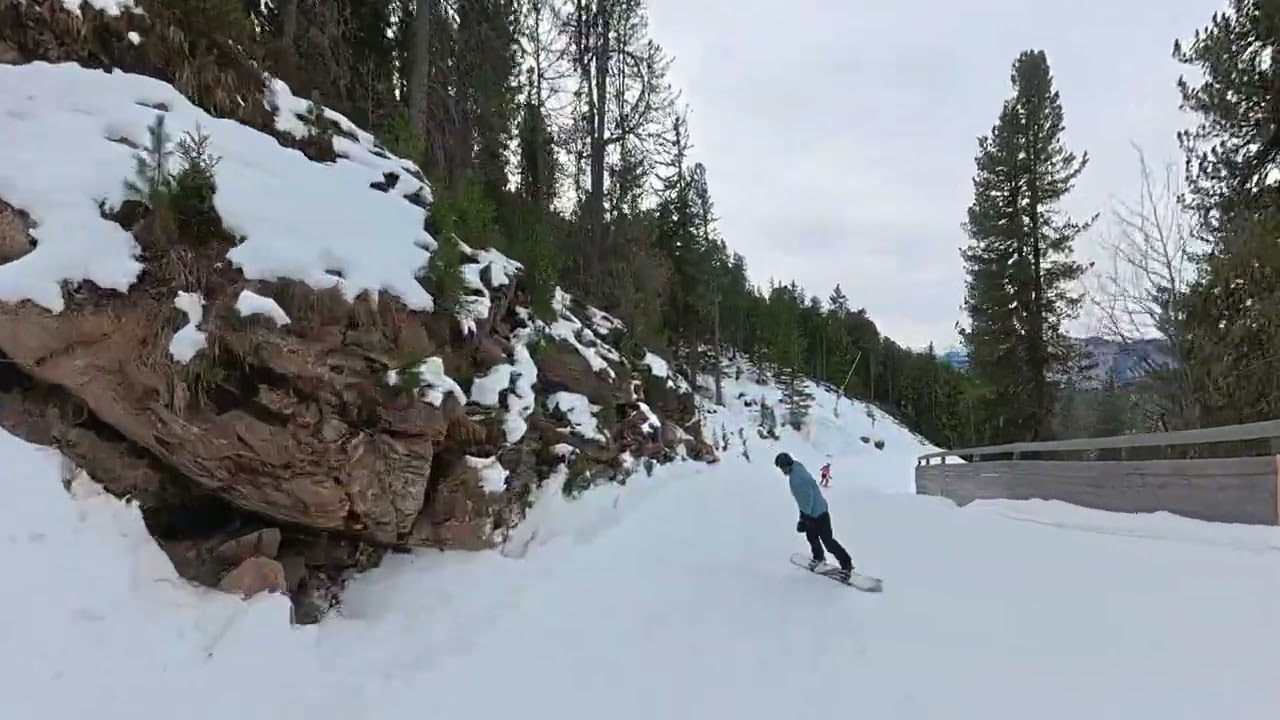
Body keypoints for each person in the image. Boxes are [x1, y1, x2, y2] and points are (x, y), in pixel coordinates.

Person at [775, 452, 853, 580]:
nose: (783, 471)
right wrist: (804, 517)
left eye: (783, 468)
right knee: (811, 536)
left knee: (828, 541)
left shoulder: (796, 480)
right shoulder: (797, 467)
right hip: (815, 510)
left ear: (788, 465)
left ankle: (847, 566)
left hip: (818, 513)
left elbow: (807, 499)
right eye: (781, 468)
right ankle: (819, 558)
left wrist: (804, 519)